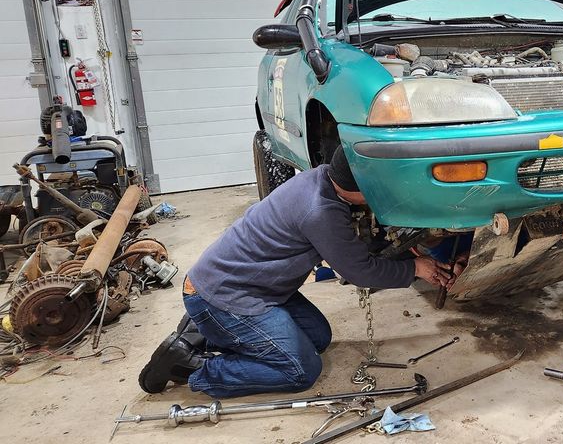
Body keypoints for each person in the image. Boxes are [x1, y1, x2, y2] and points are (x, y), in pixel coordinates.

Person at [138, 147, 453, 398]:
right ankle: (191, 367)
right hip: (224, 296)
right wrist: (415, 268)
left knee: (319, 336)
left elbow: (359, 244)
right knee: (301, 370)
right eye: (376, 189)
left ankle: (195, 335)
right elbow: (361, 271)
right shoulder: (320, 212)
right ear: (356, 188)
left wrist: (408, 246)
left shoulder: (321, 177)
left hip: (244, 284)